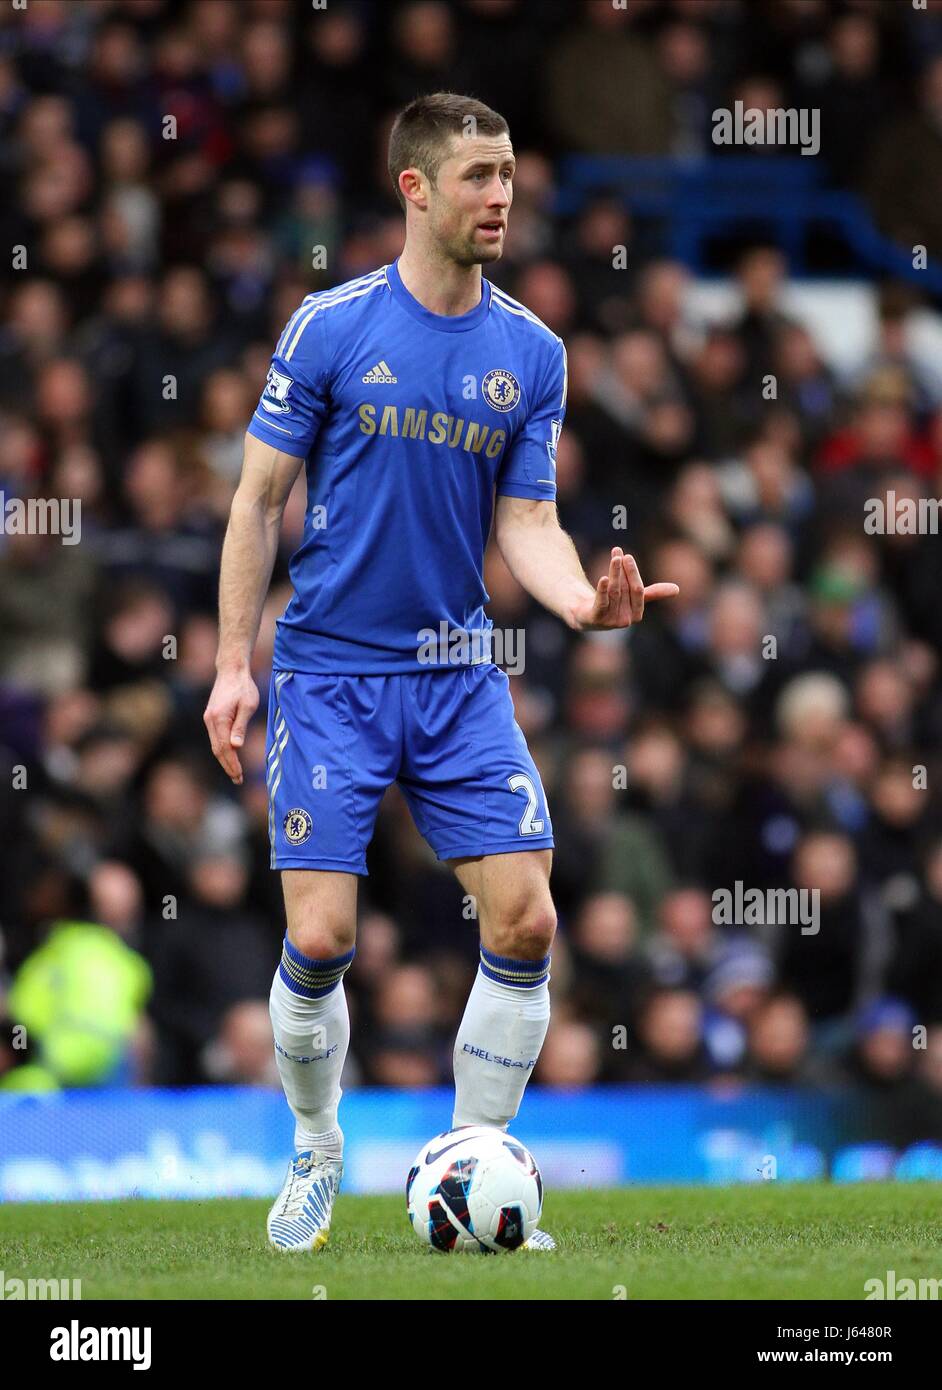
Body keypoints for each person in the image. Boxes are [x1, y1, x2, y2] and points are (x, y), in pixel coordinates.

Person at [202, 91, 678, 1252]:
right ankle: (317, 1149)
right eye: (478, 175)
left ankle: (473, 1161)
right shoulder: (332, 325)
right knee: (319, 940)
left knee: (525, 921)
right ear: (414, 188)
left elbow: (526, 518)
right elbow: (257, 501)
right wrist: (231, 666)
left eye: (510, 172)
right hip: (329, 676)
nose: (503, 194)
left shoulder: (533, 349)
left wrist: (576, 599)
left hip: (459, 674)